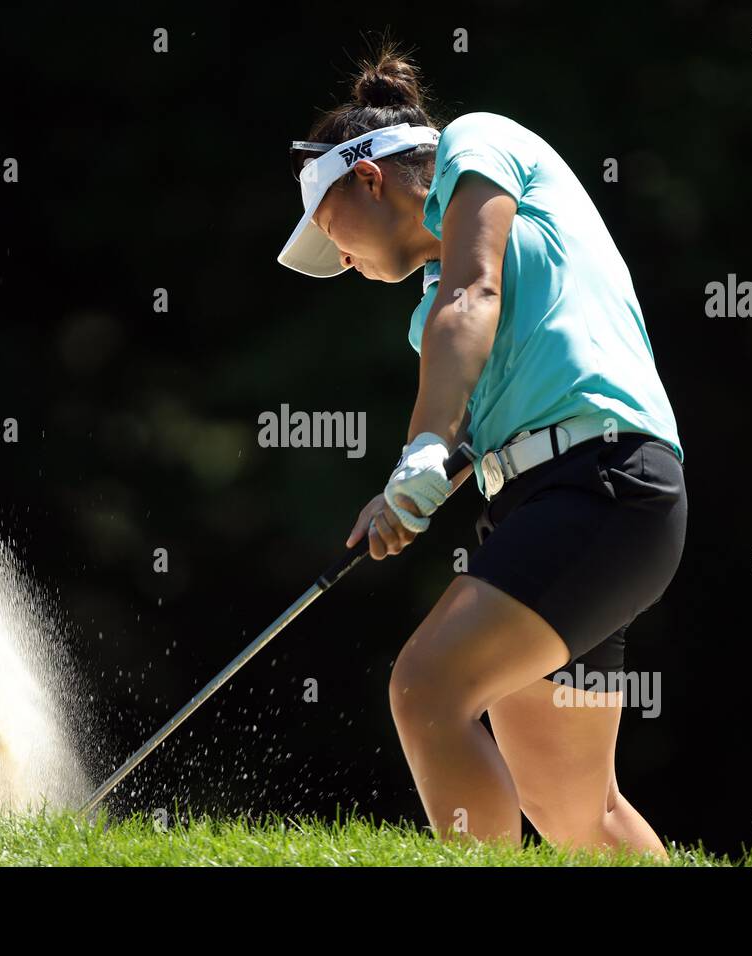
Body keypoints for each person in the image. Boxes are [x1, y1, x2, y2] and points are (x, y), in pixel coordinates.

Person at [277, 38, 688, 859]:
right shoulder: (423, 311)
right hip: (549, 507)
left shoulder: (478, 141)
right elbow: (471, 418)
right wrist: (407, 488)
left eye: (332, 228)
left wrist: (421, 449)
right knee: (580, 813)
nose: (341, 258)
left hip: (603, 485)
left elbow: (477, 292)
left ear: (370, 177)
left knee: (427, 691)